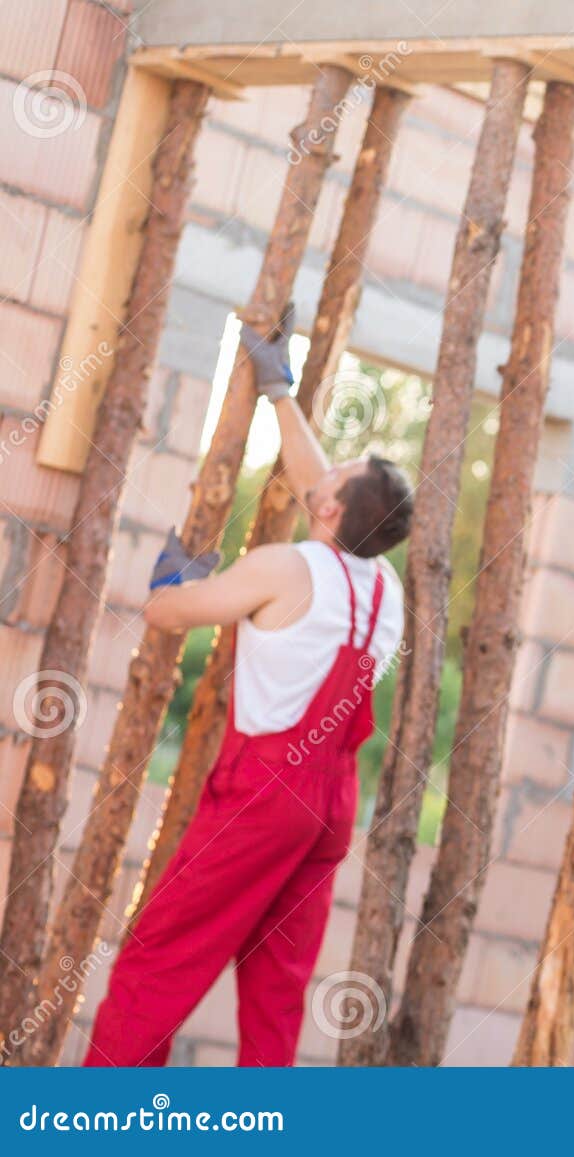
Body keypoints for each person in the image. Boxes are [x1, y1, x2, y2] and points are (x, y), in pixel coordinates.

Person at [85, 309, 413, 1066]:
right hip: (327, 806)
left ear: (331, 511)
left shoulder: (286, 566)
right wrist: (279, 391)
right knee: (275, 992)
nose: (318, 479)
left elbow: (166, 612)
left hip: (261, 799)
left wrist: (175, 574)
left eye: (331, 480)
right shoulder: (381, 585)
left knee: (156, 962)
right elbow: (320, 489)